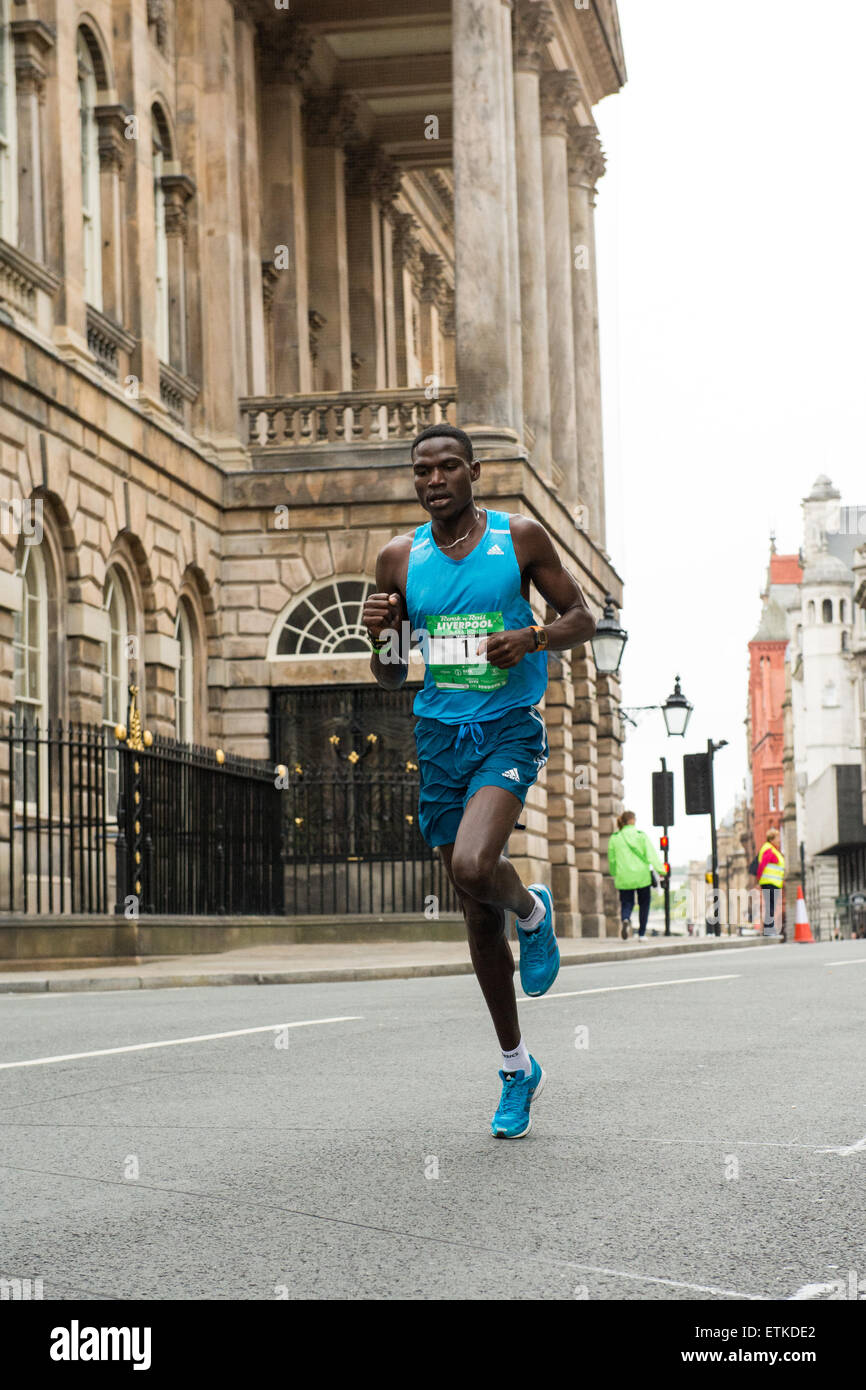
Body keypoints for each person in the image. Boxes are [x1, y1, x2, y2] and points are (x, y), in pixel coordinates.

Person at [362, 423, 596, 1139]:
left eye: (448, 468)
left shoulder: (519, 539)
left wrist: (532, 637)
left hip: (505, 727)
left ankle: (533, 912)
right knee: (471, 910)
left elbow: (585, 616)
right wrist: (376, 635)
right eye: (422, 471)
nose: (434, 480)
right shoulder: (398, 559)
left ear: (474, 472)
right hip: (438, 736)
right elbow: (393, 671)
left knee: (473, 865)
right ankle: (516, 1067)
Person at [607, 811, 665, 941]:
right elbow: (651, 855)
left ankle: (626, 918)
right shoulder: (641, 836)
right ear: (633, 820)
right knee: (644, 903)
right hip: (642, 876)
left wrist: (614, 872)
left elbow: (611, 859)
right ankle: (642, 934)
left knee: (626, 902)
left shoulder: (615, 838)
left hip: (624, 875)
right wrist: (661, 870)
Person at [756, 827, 785, 939]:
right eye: (777, 838)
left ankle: (769, 928)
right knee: (770, 906)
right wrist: (759, 879)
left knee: (771, 905)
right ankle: (769, 929)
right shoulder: (769, 849)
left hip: (772, 882)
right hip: (769, 882)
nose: (779, 840)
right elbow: (763, 865)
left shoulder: (772, 849)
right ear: (771, 839)